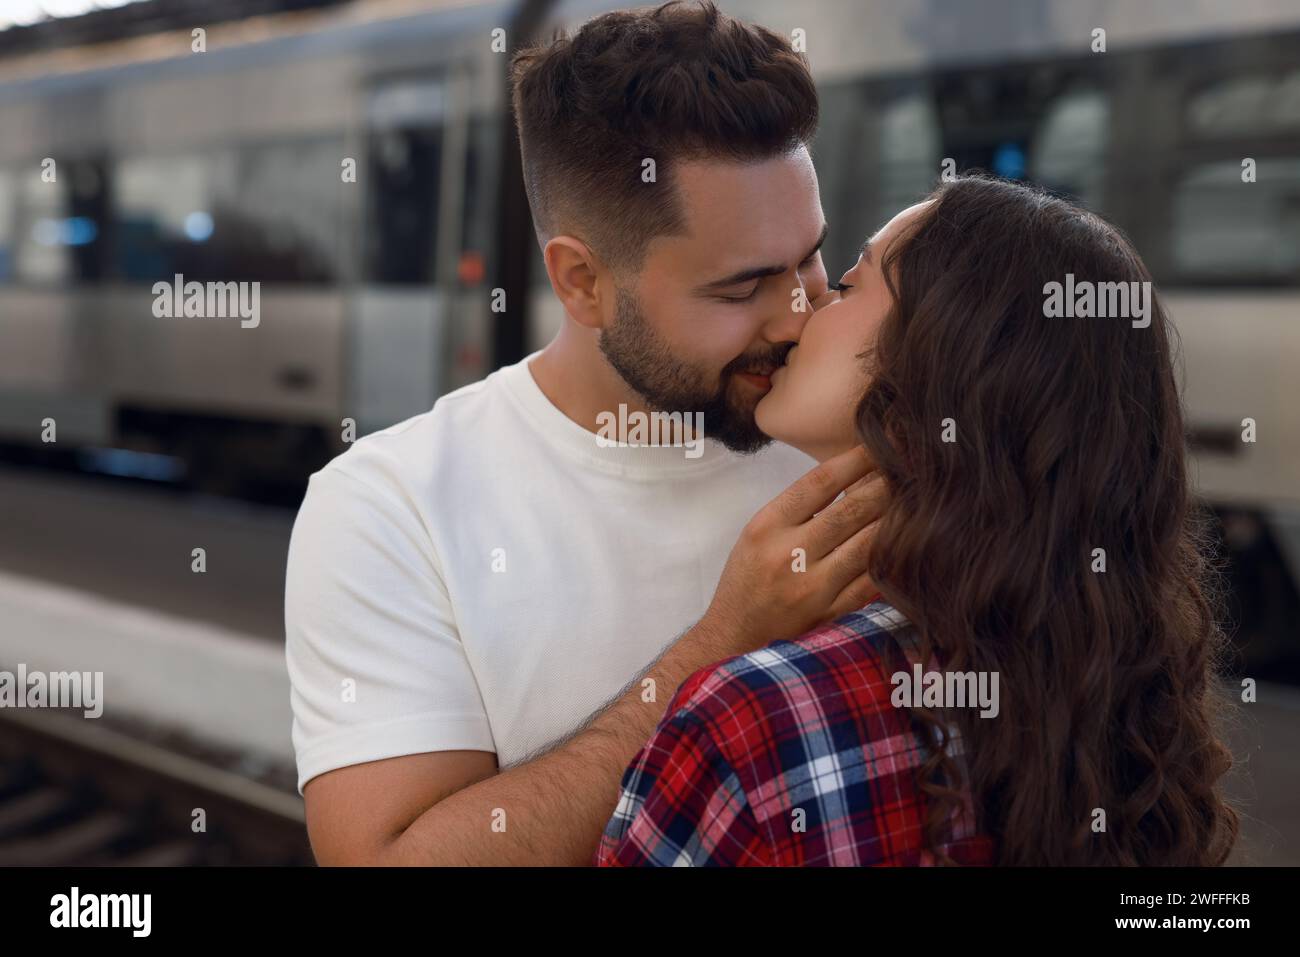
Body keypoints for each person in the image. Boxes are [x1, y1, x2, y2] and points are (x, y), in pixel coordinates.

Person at [286, 1, 884, 865]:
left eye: (811, 259)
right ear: (582, 281)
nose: (800, 317)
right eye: (744, 286)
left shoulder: (848, 440)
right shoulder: (389, 508)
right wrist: (723, 644)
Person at [597, 176, 1240, 866]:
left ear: (938, 360)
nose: (800, 313)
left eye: (847, 284)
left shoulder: (752, 721)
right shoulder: (1119, 686)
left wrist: (721, 639)